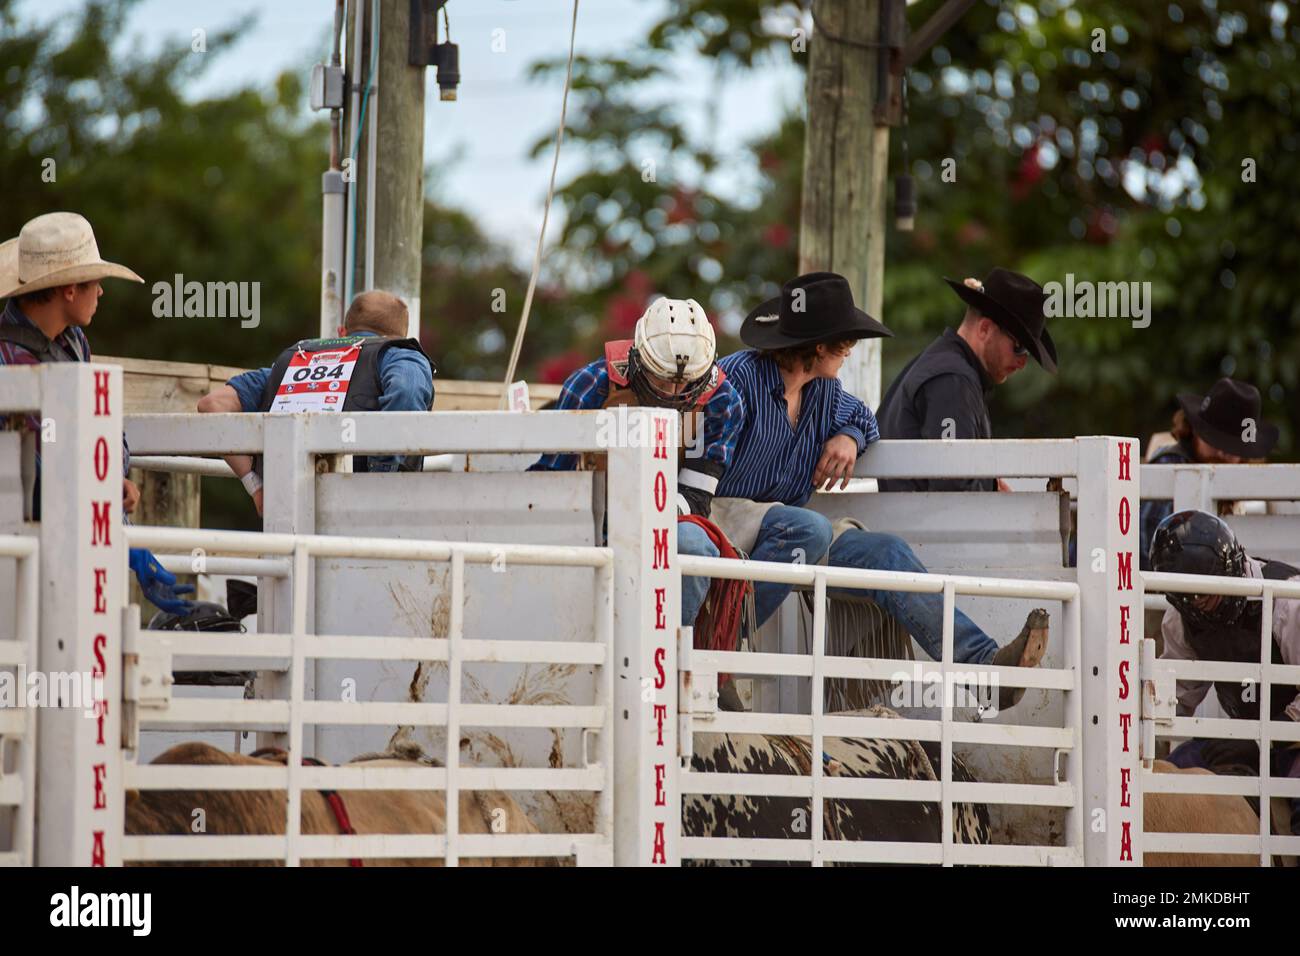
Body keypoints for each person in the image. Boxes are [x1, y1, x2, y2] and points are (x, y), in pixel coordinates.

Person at [714, 272, 1050, 709]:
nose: (852, 349)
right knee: (808, 527)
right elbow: (696, 457)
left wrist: (850, 435)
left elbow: (867, 418)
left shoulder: (825, 392)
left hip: (788, 528)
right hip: (725, 517)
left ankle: (984, 667)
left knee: (885, 551)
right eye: (846, 340)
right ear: (821, 345)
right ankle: (716, 648)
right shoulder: (736, 377)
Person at [0, 211, 192, 612]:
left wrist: (112, 478)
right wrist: (119, 523)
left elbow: (96, 444)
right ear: (70, 289)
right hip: (21, 532)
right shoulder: (11, 360)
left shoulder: (73, 342)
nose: (101, 292)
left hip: (56, 523)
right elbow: (61, 459)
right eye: (96, 283)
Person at [530, 297, 746, 631]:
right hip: (586, 519)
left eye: (686, 383)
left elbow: (698, 494)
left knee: (694, 543)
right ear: (638, 358)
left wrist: (645, 520)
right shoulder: (592, 385)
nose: (674, 391)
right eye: (662, 380)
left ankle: (675, 649)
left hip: (671, 519)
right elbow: (552, 477)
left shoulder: (722, 400)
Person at [197, 290, 434, 516]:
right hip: (369, 521)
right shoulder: (398, 355)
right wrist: (382, 482)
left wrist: (256, 486)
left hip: (287, 514)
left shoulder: (295, 362)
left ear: (342, 332)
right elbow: (406, 392)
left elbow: (211, 406)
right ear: (396, 337)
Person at [1150, 510, 1300, 833]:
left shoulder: (1289, 603)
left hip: (1291, 740)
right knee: (1164, 790)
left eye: (1208, 593)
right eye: (1194, 599)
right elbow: (1173, 695)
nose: (1206, 603)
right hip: (1245, 737)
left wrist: (1266, 740)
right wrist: (1145, 740)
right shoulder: (1182, 620)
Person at [876, 268, 1057, 492]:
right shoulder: (952, 381)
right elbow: (952, 489)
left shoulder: (946, 366)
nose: (1022, 363)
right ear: (985, 329)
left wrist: (991, 488)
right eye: (1019, 347)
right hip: (916, 525)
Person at [1139, 379, 1278, 570]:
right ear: (1194, 430)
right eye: (1216, 441)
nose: (1223, 452)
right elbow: (1146, 553)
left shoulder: (1238, 483)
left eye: (1232, 448)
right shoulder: (1169, 465)